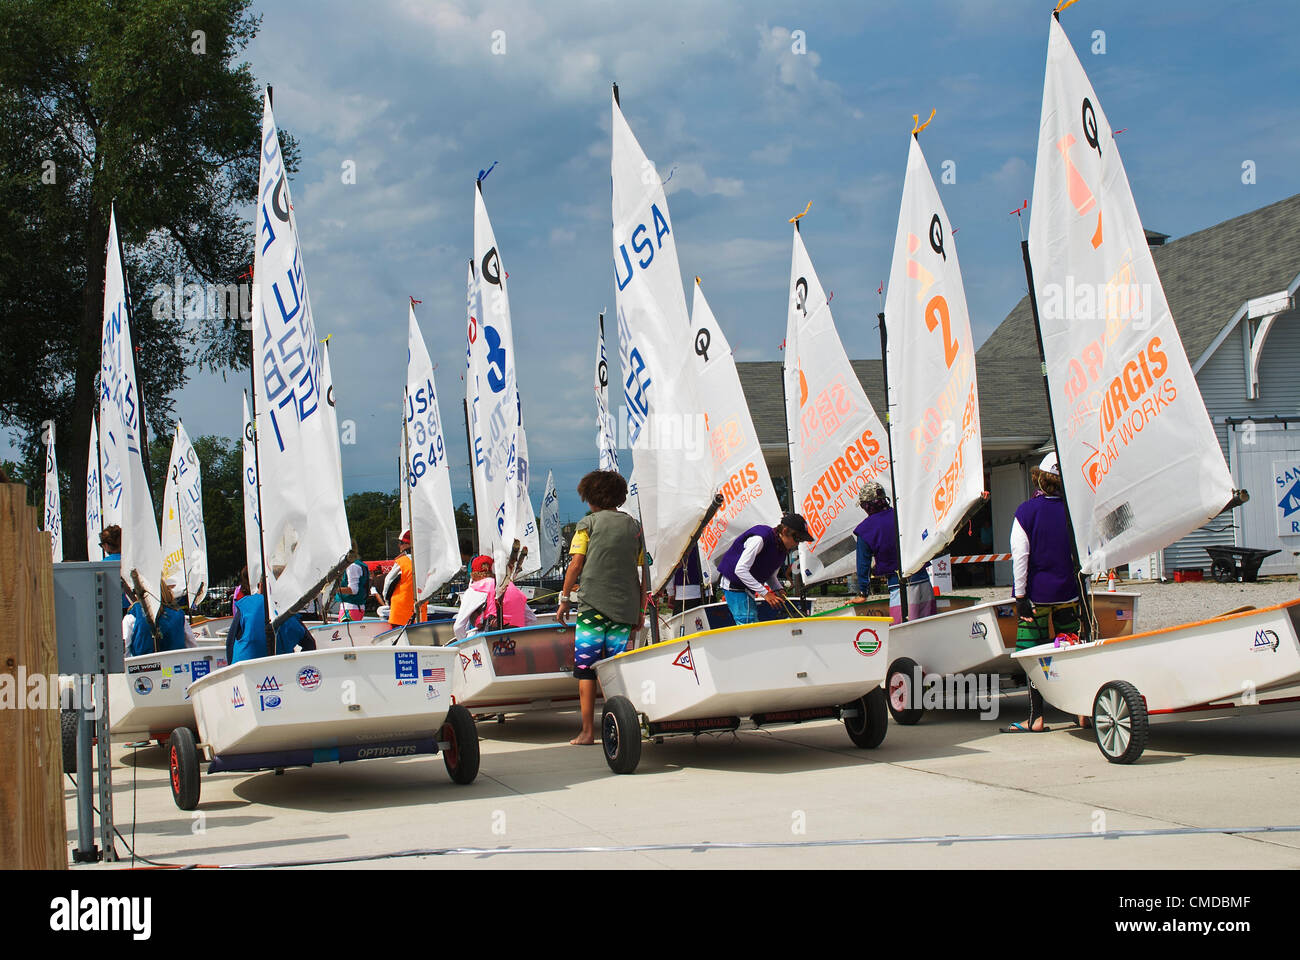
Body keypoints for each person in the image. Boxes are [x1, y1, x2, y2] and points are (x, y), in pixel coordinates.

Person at [557, 470, 648, 746]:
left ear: (591, 497)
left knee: (586, 669)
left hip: (592, 607)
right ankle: (619, 727)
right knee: (615, 668)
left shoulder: (587, 525)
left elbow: (575, 564)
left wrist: (563, 599)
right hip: (625, 608)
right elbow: (645, 572)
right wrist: (641, 609)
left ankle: (587, 732)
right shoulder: (634, 527)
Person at [1002, 452, 1088, 733]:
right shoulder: (1073, 510)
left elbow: (1021, 557)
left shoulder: (1026, 512)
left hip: (1037, 598)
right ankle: (1080, 713)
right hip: (1069, 595)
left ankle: (1036, 717)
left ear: (1039, 477)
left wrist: (1019, 597)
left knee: (1031, 655)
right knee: (1071, 651)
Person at [848, 482, 937, 623]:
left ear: (867, 505)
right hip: (924, 582)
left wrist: (863, 593)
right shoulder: (904, 516)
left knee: (902, 634)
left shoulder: (865, 530)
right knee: (929, 629)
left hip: (899, 587)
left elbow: (863, 565)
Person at [715, 513, 813, 625]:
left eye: (800, 540)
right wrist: (765, 593)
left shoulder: (782, 549)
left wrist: (778, 589)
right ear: (785, 531)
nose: (797, 543)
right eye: (797, 538)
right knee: (748, 622)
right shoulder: (760, 538)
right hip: (734, 583)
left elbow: (770, 576)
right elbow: (740, 570)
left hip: (748, 586)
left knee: (752, 621)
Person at [226, 575, 318, 665]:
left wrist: (231, 670)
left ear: (260, 586)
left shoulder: (247, 605)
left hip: (245, 672)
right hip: (279, 674)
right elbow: (310, 644)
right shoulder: (289, 613)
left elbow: (230, 642)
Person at [452, 554, 537, 639]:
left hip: (491, 641)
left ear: (473, 574)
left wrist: (465, 646)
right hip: (517, 640)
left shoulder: (475, 589)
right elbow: (531, 619)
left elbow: (458, 627)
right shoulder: (511, 586)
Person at [122, 582, 194, 656]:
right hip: (176, 664)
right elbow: (192, 645)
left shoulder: (132, 617)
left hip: (143, 666)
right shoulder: (178, 614)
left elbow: (125, 649)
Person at [381, 529, 425, 627]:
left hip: (400, 613)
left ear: (407, 544)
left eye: (400, 543)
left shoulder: (401, 562)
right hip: (420, 613)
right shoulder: (425, 563)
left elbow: (388, 583)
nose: (398, 545)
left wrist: (387, 601)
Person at [335, 541, 370, 622]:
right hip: (355, 608)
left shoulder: (352, 566)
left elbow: (353, 590)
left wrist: (333, 589)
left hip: (350, 608)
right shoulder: (360, 564)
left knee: (344, 633)